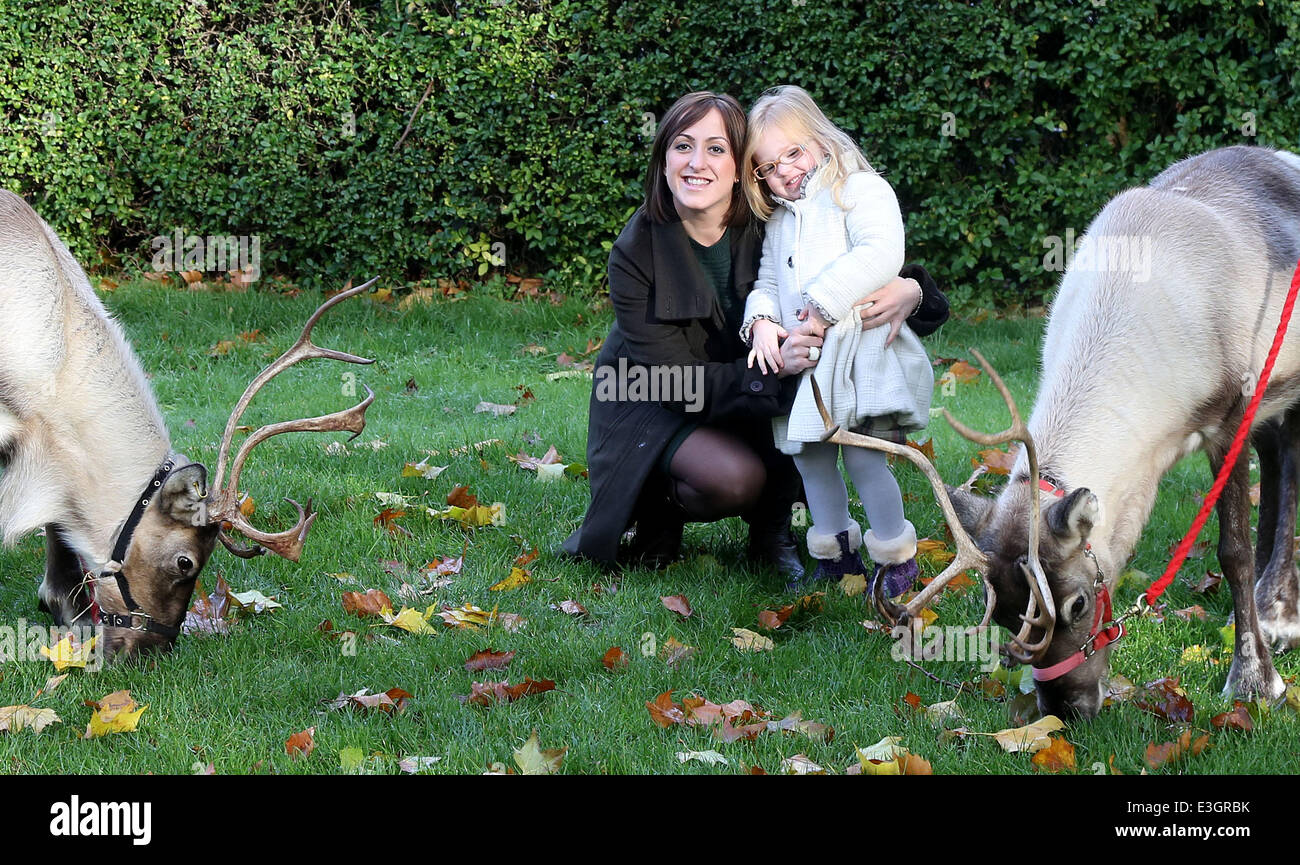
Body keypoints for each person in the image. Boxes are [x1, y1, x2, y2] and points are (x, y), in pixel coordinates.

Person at [561, 91, 948, 580]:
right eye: (682, 146)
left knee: (814, 430)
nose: (697, 162)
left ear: (738, 168)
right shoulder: (635, 251)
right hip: (656, 398)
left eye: (716, 149)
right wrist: (772, 367)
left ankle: (774, 533)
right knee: (738, 473)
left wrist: (913, 291)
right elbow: (675, 381)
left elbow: (859, 261)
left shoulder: (773, 217)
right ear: (662, 160)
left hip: (751, 388)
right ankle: (658, 512)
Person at [741, 85, 934, 595]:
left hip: (856, 351)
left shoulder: (859, 189)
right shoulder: (781, 219)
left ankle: (896, 556)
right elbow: (764, 280)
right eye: (767, 167)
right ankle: (835, 553)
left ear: (821, 140)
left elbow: (881, 252)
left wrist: (823, 307)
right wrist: (761, 320)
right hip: (806, 362)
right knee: (810, 457)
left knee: (865, 454)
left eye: (793, 153)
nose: (783, 171)